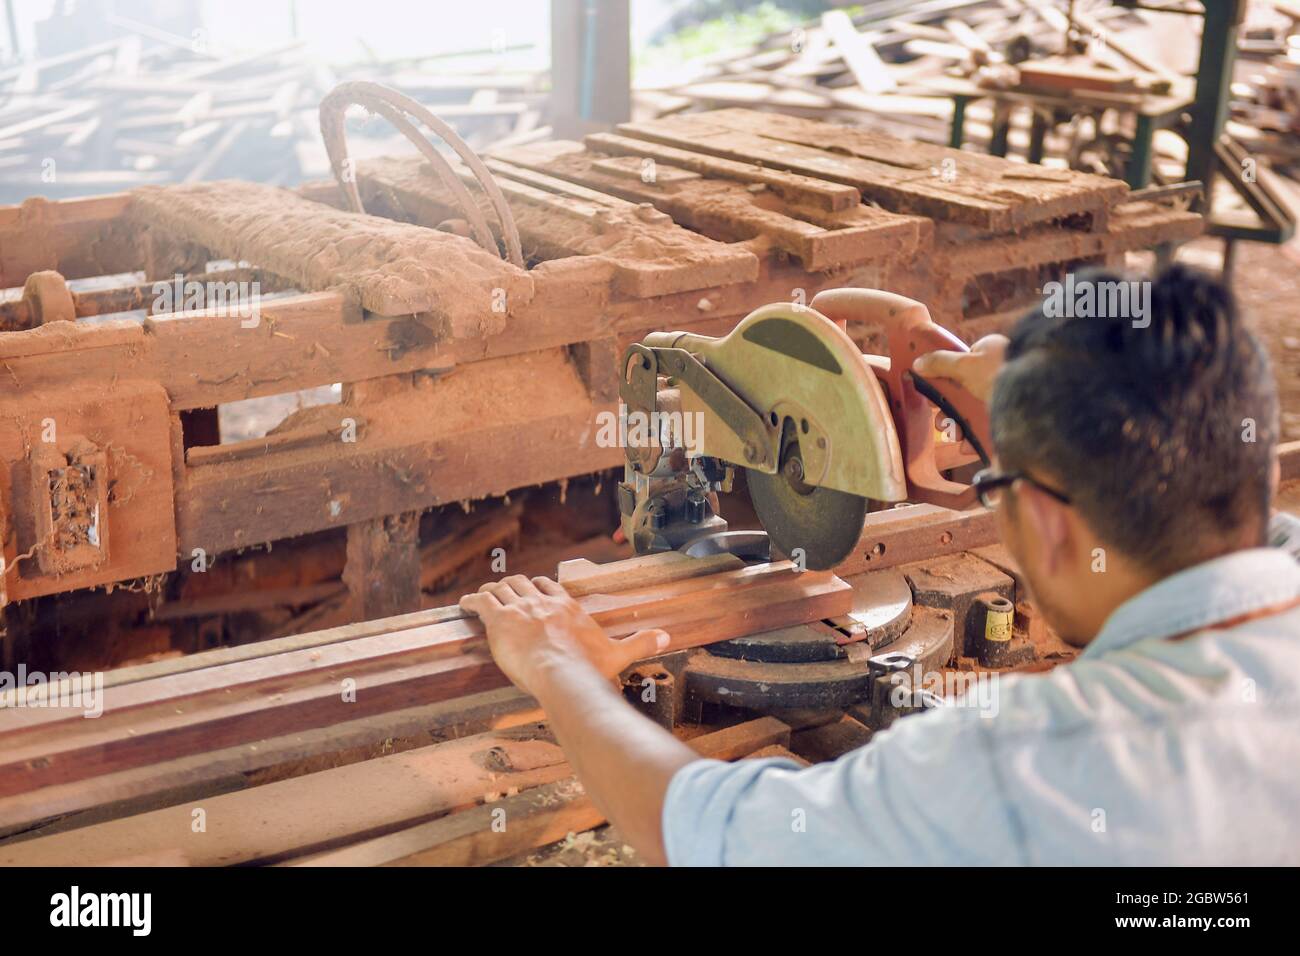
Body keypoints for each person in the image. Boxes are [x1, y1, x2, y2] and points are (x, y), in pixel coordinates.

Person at [459, 265, 1299, 865]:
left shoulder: (1021, 764)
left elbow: (701, 829)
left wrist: (559, 666)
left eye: (996, 486)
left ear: (1040, 523)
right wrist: (1025, 422)